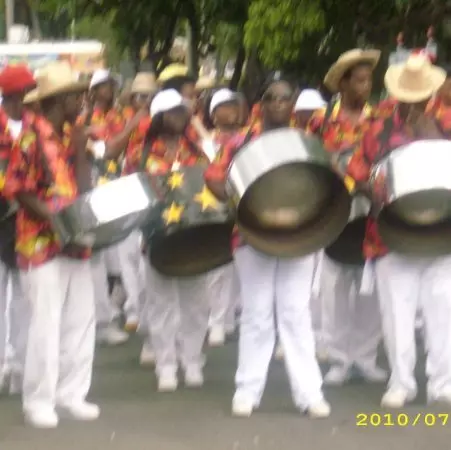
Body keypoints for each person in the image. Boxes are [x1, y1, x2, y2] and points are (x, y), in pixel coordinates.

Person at [205, 77, 330, 418]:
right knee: (257, 312)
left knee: (295, 312)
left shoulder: (304, 141)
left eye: (284, 99)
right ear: (261, 105)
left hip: (298, 231)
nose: (277, 104)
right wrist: (235, 203)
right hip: (251, 233)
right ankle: (247, 389)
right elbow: (214, 177)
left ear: (292, 106)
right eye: (271, 98)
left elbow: (324, 180)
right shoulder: (240, 141)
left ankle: (310, 393)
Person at [348, 54, 451, 408]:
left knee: (444, 311)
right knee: (396, 313)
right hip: (390, 233)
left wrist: (437, 140)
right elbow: (358, 172)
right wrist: (373, 193)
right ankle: (401, 382)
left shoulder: (447, 121)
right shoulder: (377, 128)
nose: (416, 102)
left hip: (442, 230)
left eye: (422, 95)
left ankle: (442, 383)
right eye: (410, 96)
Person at [4, 61, 98, 428]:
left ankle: (72, 392)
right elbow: (16, 188)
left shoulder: (71, 134)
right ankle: (39, 400)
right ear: (60, 99)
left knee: (81, 318)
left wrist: (80, 150)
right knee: (46, 323)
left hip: (75, 240)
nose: (83, 100)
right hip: (40, 242)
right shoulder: (31, 135)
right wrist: (54, 220)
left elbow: (84, 189)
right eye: (77, 95)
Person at [307, 49, 386, 386]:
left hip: (370, 209)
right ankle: (338, 358)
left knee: (371, 287)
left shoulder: (379, 118)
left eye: (369, 80)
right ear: (342, 83)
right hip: (335, 210)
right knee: (335, 286)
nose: (366, 86)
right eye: (360, 80)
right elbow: (309, 160)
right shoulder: (321, 121)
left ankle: (365, 357)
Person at [125, 89, 211, 392]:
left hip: (196, 236)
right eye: (172, 112)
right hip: (158, 237)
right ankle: (166, 365)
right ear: (159, 117)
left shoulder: (196, 150)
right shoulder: (140, 153)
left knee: (197, 304)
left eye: (182, 112)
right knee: (162, 306)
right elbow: (131, 196)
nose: (179, 117)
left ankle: (192, 361)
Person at [0, 65, 35, 395]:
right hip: (1, 218)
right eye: (25, 90)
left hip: (26, 220)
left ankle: (21, 364)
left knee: (24, 297)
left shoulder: (35, 127)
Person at [202, 88, 242, 346]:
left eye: (233, 106)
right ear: (213, 115)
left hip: (243, 208)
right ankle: (215, 321)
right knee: (217, 269)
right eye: (223, 107)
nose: (230, 111)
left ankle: (230, 318)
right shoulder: (206, 143)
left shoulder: (249, 138)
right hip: (214, 207)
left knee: (239, 268)